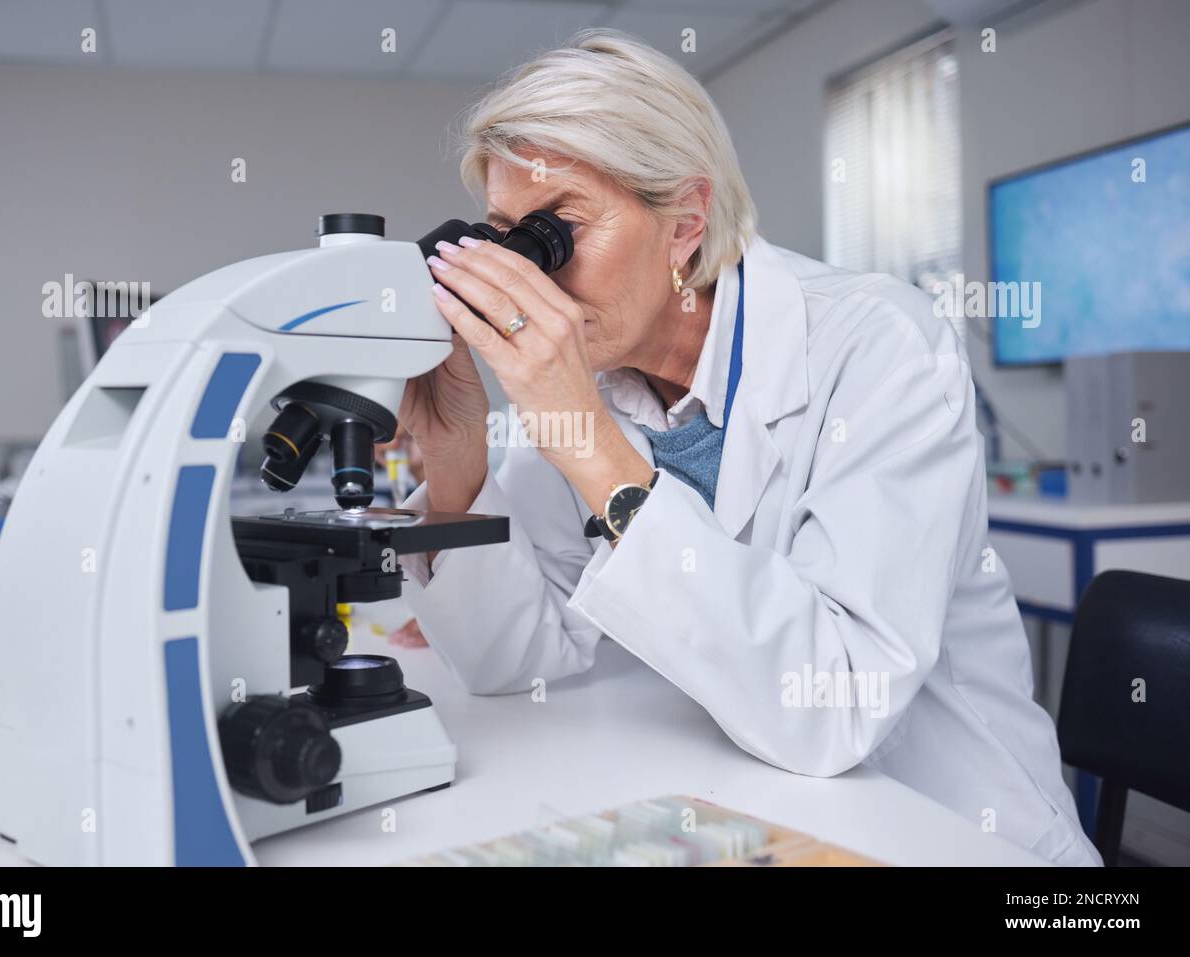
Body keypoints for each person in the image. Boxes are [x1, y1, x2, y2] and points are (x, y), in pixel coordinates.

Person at [395, 29, 1100, 866]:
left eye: (557, 231)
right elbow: (517, 658)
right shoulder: (604, 383)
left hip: (947, 829)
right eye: (509, 236)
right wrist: (456, 465)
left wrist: (591, 454)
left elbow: (836, 701)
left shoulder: (879, 345)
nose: (529, 275)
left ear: (685, 223)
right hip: (754, 804)